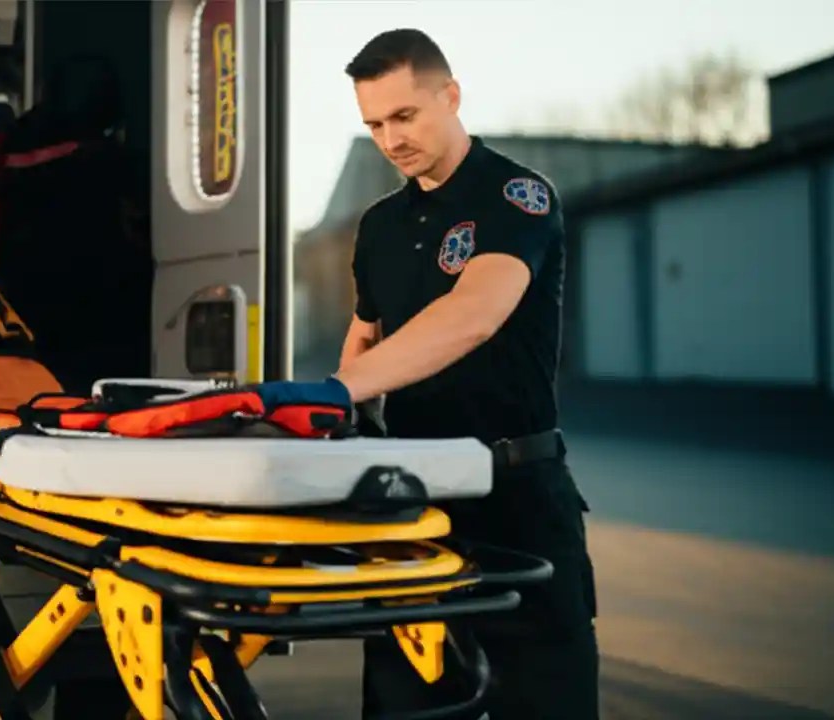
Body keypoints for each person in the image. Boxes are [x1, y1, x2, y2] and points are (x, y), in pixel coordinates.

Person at [255, 28, 599, 719]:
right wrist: (334, 423)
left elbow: (475, 314)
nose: (390, 140)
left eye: (404, 116)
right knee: (403, 703)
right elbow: (365, 338)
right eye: (374, 125)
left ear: (451, 96)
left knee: (545, 703)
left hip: (516, 498)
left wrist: (339, 388)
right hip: (415, 510)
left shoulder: (515, 197)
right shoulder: (380, 225)